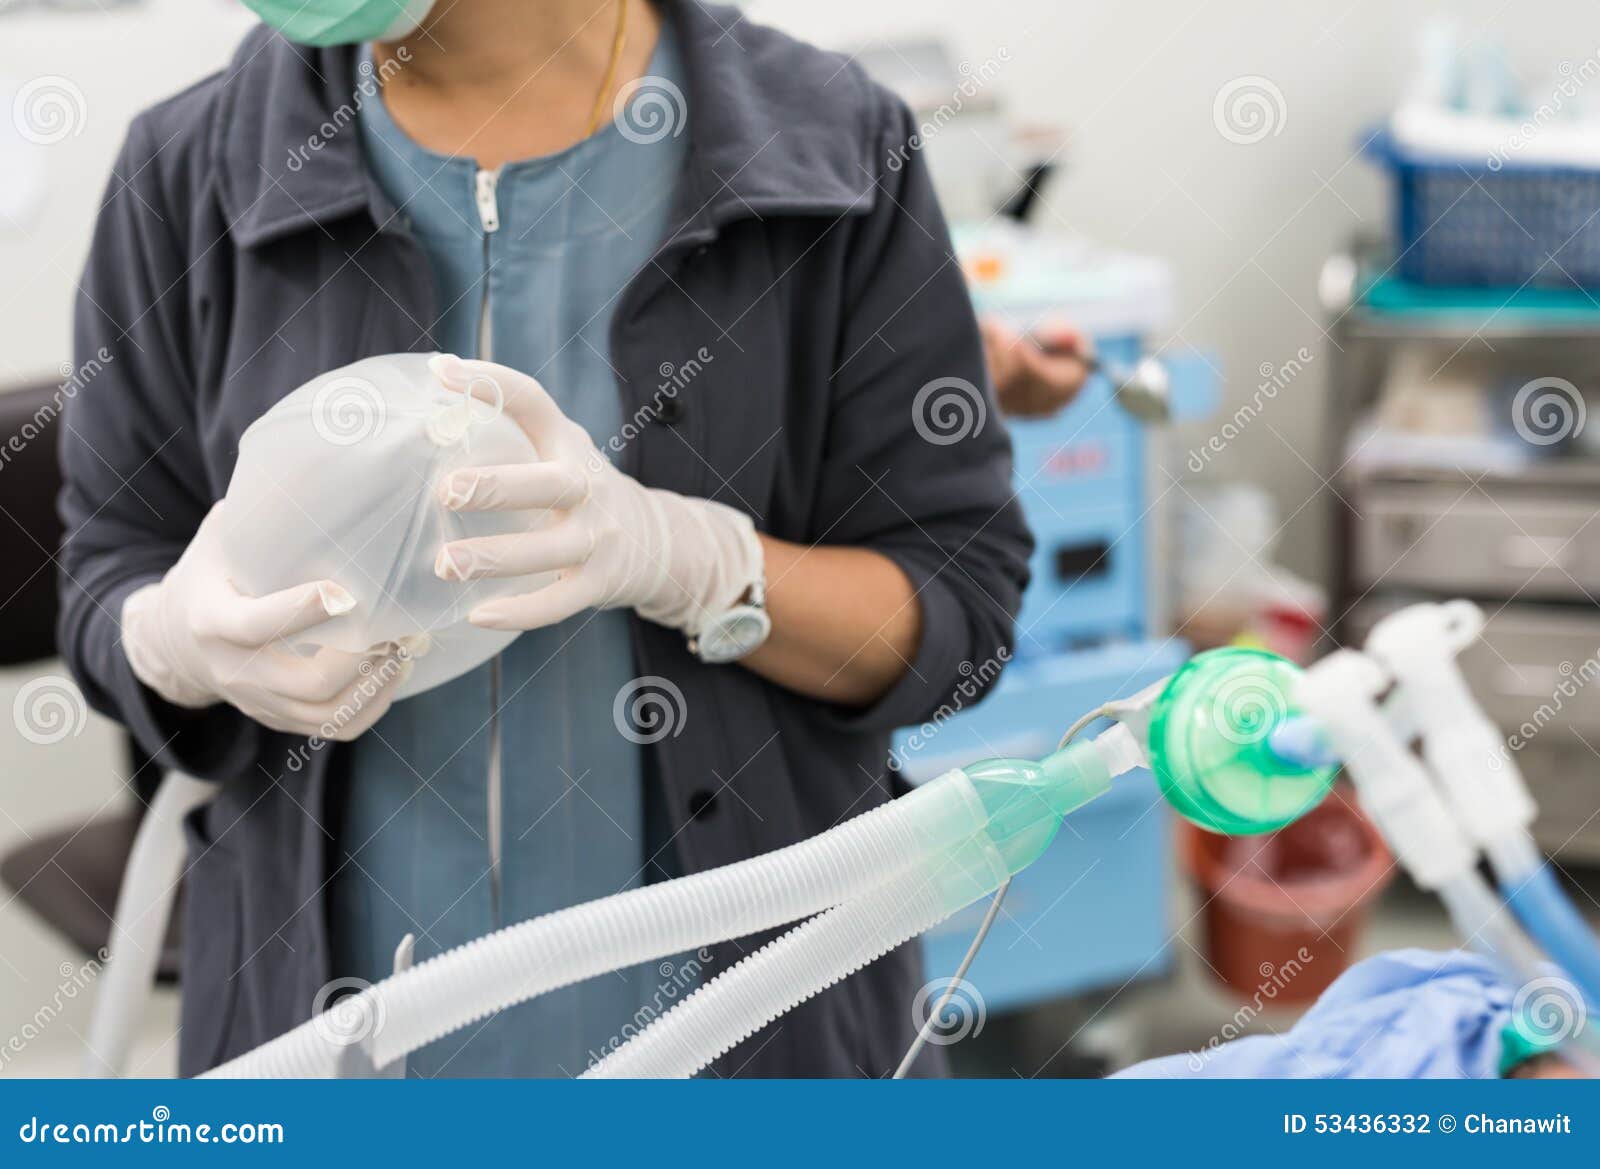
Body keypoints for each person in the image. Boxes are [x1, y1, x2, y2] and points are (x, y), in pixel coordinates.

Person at [56, 0, 1031, 1077]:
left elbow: (958, 607)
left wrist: (694, 562)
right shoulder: (191, 169)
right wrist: (169, 639)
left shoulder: (830, 147)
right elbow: (109, 563)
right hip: (329, 1039)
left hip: (758, 1037)